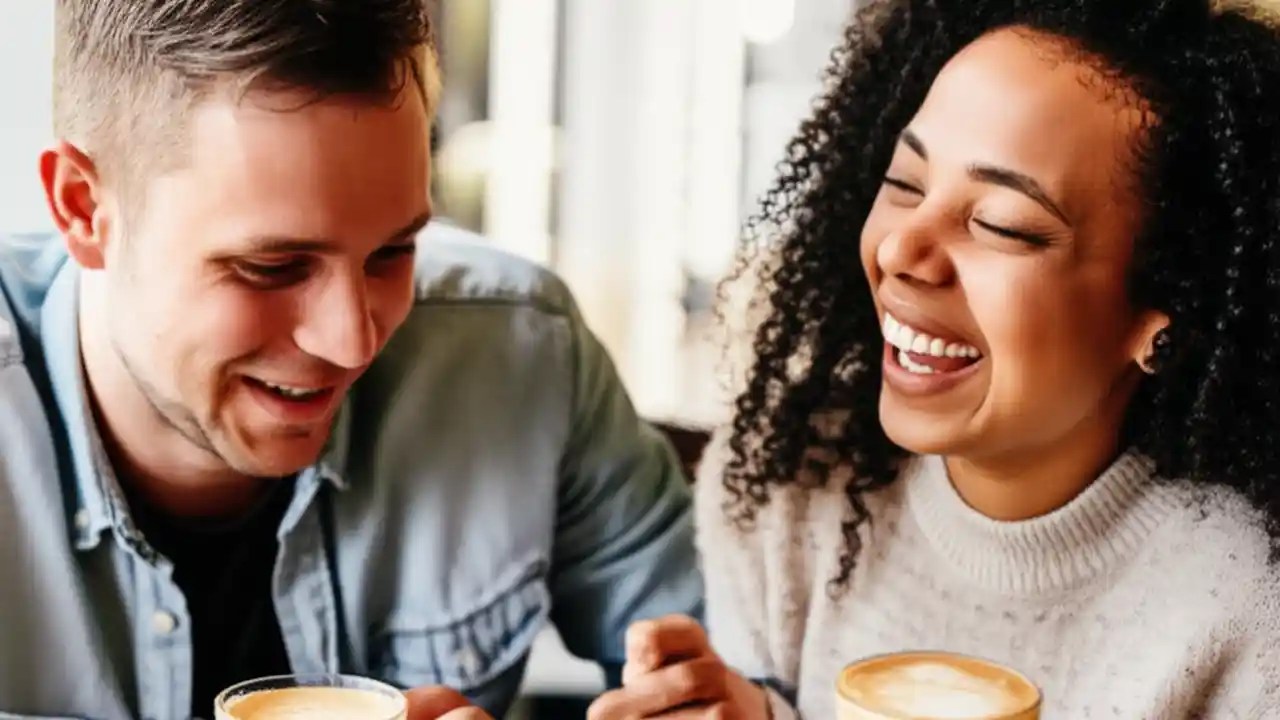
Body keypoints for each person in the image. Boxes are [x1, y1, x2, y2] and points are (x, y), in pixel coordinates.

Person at [0, 2, 701, 719]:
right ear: (84, 208)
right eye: (271, 267)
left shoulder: (525, 349)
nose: (353, 343)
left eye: (393, 252)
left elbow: (716, 668)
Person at [586, 0, 1280, 718]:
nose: (901, 250)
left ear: (1161, 324)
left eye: (1001, 225)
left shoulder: (1251, 619)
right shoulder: (788, 488)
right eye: (905, 185)